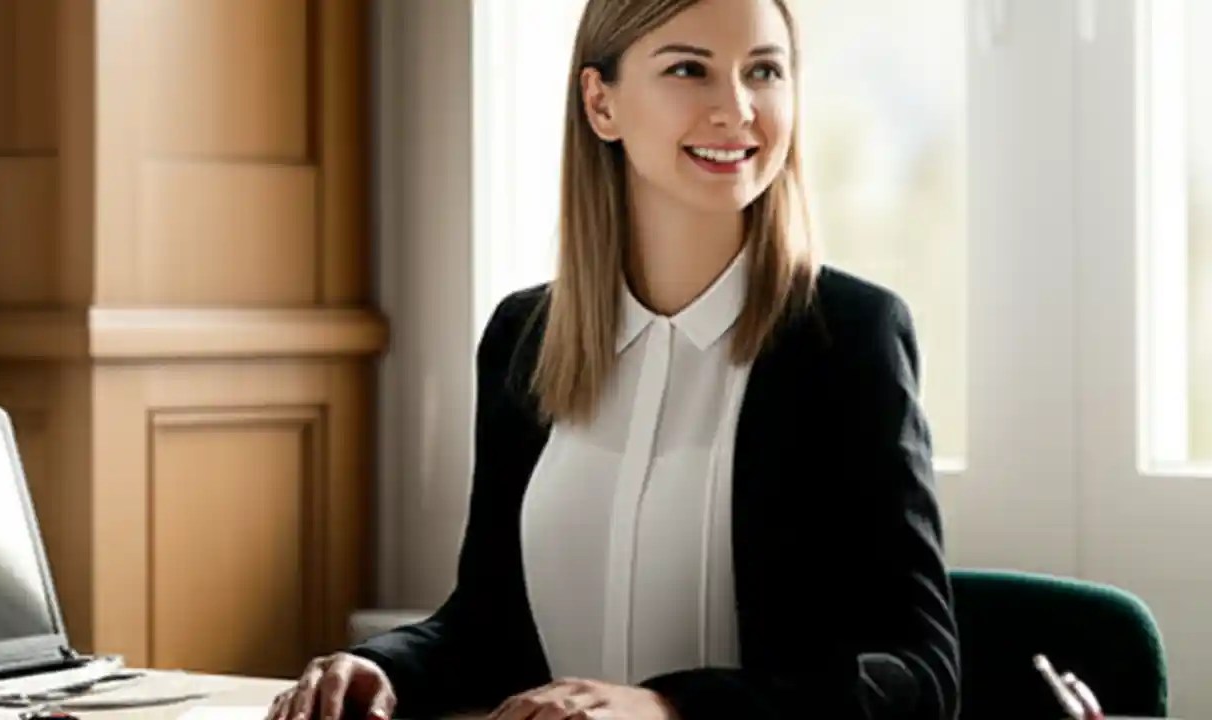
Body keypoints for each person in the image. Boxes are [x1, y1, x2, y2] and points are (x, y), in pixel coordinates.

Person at [267, 0, 960, 717]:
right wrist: (383, 670)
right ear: (601, 104)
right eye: (690, 69)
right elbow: (490, 625)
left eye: (764, 72)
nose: (738, 108)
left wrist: (668, 709)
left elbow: (922, 679)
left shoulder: (851, 336)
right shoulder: (523, 336)